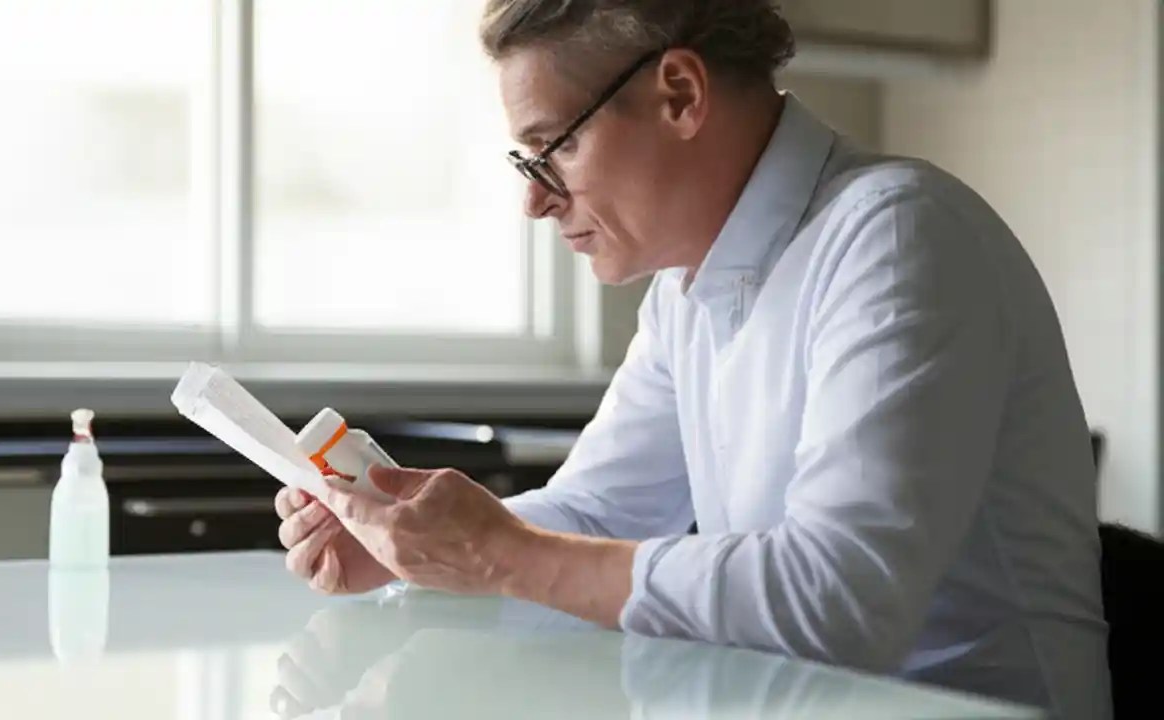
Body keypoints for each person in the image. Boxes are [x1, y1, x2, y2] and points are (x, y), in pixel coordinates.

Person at [274, 1, 1110, 717]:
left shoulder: (894, 236)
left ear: (679, 92)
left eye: (552, 146)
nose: (533, 198)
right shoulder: (686, 292)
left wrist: (498, 551)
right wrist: (407, 545)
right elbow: (600, 515)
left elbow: (839, 600)